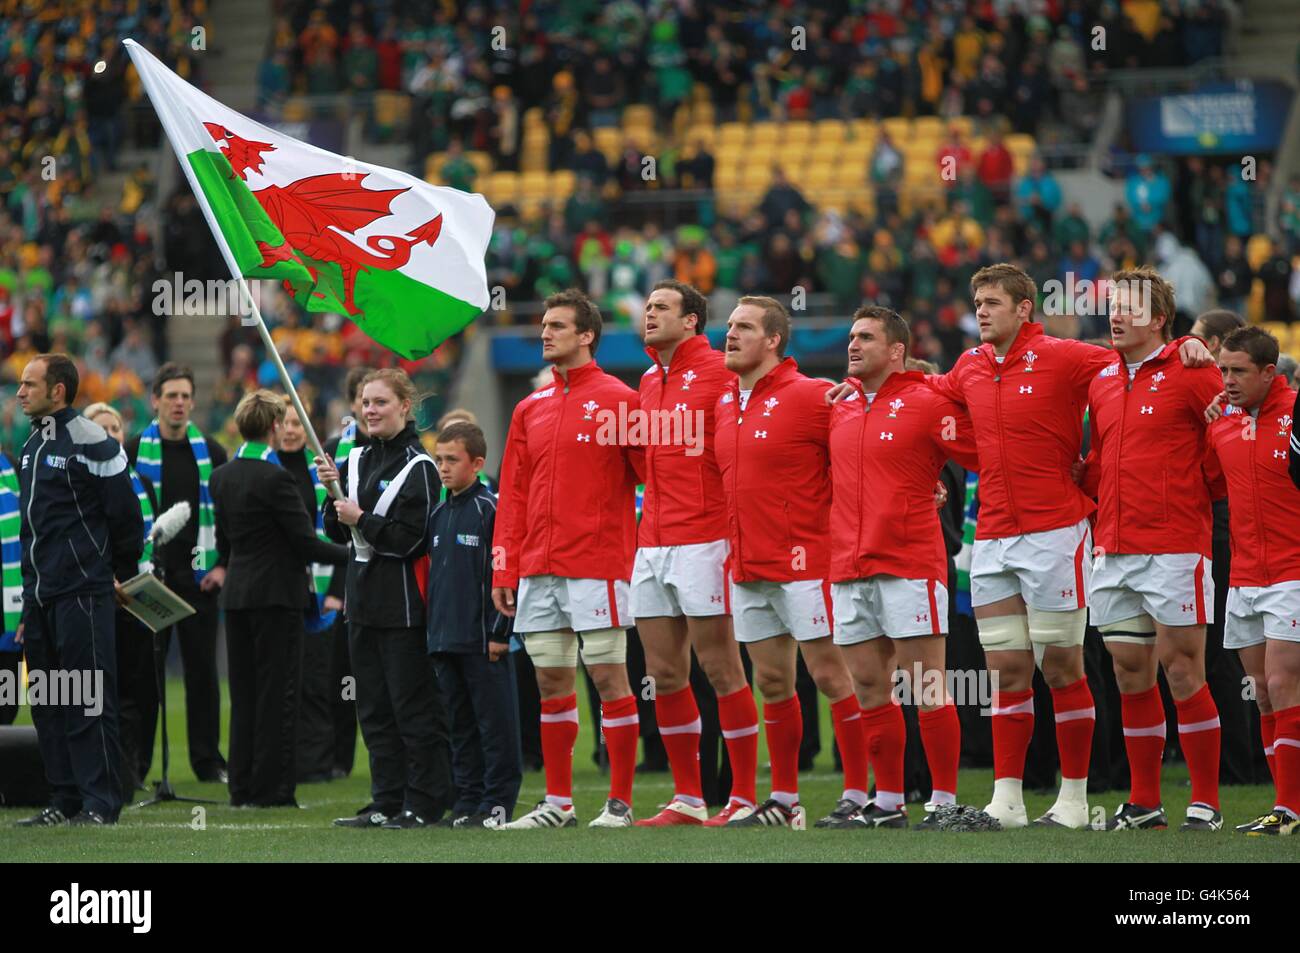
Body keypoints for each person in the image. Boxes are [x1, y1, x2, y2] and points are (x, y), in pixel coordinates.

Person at [844, 263, 1211, 830]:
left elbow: (1137, 362)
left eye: (992, 301)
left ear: (1024, 309)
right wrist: (858, 390)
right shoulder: (967, 365)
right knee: (1007, 672)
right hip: (991, 537)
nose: (981, 311)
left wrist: (1188, 342)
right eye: (977, 302)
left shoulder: (1069, 357)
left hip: (1055, 532)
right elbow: (922, 393)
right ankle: (1007, 801)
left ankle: (1071, 799)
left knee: (1062, 666)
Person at [490, 289, 644, 830]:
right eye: (543, 326)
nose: (545, 334)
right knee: (552, 685)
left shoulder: (622, 400)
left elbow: (653, 476)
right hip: (537, 567)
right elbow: (513, 493)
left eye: (557, 326)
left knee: (609, 680)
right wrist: (505, 566)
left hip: (597, 564)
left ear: (587, 336)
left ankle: (620, 804)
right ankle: (558, 804)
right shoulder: (528, 407)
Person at [1079, 266, 1226, 831]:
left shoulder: (1195, 371)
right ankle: (1145, 803)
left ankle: (1206, 803)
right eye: (1113, 306)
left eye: (1129, 308)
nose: (1116, 315)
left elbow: (1224, 445)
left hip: (1174, 544)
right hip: (1111, 545)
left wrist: (1186, 499)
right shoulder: (1103, 380)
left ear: (1160, 319)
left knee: (1183, 668)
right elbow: (1103, 459)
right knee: (1129, 673)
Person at [714, 296, 868, 828]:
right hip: (748, 564)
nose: (730, 335)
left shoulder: (814, 397)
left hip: (808, 562)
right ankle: (784, 800)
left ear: (774, 339)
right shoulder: (725, 402)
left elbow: (865, 451)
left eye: (744, 328)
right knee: (773, 684)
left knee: (832, 678)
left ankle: (858, 794)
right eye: (730, 326)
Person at [829, 306, 980, 828]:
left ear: (896, 350)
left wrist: (938, 486)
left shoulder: (926, 400)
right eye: (851, 336)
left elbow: (986, 450)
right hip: (847, 566)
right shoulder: (839, 407)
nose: (854, 344)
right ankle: (888, 803)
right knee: (870, 689)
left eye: (866, 337)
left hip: (910, 562)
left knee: (927, 685)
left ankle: (942, 802)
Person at [631, 279, 758, 827]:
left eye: (662, 307)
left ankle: (745, 796)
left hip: (705, 537)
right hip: (652, 540)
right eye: (648, 307)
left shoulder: (720, 373)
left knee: (722, 668)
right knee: (663, 671)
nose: (649, 314)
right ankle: (687, 797)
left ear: (691, 321)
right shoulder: (645, 379)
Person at [316, 369, 452, 828]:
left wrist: (361, 517)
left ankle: (425, 802)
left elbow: (411, 541)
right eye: (365, 402)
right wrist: (330, 497)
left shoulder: (422, 467)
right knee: (373, 710)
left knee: (412, 708)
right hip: (362, 605)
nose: (370, 410)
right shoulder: (351, 458)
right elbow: (335, 531)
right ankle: (386, 802)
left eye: (380, 402)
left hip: (404, 608)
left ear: (404, 407)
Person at [14, 354, 143, 826]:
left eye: (29, 384)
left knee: (89, 698)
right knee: (48, 702)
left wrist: (116, 574)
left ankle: (100, 803)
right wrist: (30, 599)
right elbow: (34, 533)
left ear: (58, 392)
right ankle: (64, 799)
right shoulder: (30, 446)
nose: (20, 392)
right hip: (42, 597)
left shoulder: (94, 443)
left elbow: (127, 519)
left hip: (83, 592)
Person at [210, 391, 347, 807]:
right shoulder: (277, 479)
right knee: (279, 695)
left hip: (237, 597)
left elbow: (224, 545)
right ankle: (274, 790)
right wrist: (357, 553)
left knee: (245, 694)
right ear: (273, 427)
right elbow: (305, 544)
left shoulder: (222, 477)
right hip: (277, 598)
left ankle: (242, 787)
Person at [1208, 327, 1300, 835]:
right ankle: (1283, 803)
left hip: (1293, 570)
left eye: (1238, 371)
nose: (1228, 380)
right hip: (1243, 576)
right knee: (1263, 692)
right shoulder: (1220, 424)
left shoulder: (1295, 414)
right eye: (1223, 370)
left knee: (1286, 684)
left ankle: (1288, 810)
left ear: (1270, 372)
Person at [126, 362, 229, 783]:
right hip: (150, 579)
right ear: (155, 400)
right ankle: (137, 763)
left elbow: (228, 519)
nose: (180, 403)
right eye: (171, 395)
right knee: (144, 677)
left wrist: (221, 565)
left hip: (199, 576)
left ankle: (207, 762)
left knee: (202, 674)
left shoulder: (212, 452)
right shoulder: (132, 451)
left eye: (186, 396)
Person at [426, 421, 521, 828]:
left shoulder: (491, 509)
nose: (443, 468)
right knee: (460, 727)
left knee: (495, 727)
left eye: (452, 460)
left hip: (484, 641)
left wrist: (500, 632)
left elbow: (504, 576)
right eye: (439, 459)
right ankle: (466, 801)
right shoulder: (439, 512)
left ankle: (497, 804)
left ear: (477, 463)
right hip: (445, 639)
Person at [84, 401, 158, 804]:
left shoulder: (140, 482)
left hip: (135, 597)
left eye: (115, 428)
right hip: (94, 596)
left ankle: (131, 772)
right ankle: (101, 774)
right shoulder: (80, 483)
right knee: (96, 691)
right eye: (101, 428)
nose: (111, 435)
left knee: (138, 691)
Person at [277, 396, 347, 784]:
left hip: (321, 593)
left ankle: (318, 763)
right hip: (282, 589)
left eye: (296, 424)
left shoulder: (322, 472)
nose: (290, 430)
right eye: (284, 423)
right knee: (285, 681)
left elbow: (340, 532)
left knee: (318, 683)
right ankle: (285, 761)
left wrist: (337, 588)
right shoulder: (264, 468)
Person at [320, 366, 372, 778]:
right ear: (353, 404)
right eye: (363, 399)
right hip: (343, 582)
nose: (368, 407)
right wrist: (334, 587)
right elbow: (327, 527)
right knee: (341, 677)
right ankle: (340, 759)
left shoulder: (402, 455)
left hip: (381, 581)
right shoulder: (334, 450)